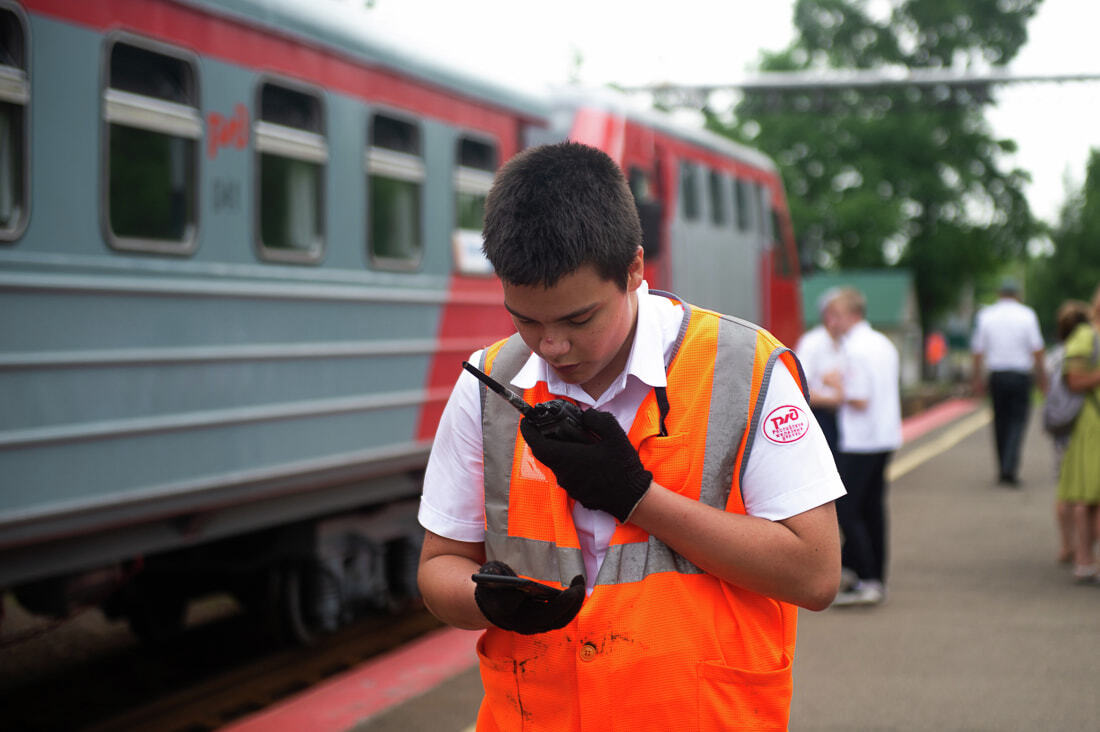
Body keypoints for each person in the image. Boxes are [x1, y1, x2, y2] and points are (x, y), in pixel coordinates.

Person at [416, 142, 845, 730]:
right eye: (525, 319)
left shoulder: (743, 368)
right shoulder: (488, 384)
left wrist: (635, 497)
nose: (551, 346)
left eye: (579, 318)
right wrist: (485, 601)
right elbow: (440, 565)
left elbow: (816, 575)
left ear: (635, 269)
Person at [826, 288, 902, 607]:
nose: (831, 322)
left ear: (852, 315)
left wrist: (834, 385)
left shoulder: (855, 349)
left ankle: (865, 576)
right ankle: (873, 576)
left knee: (847, 510)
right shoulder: (883, 343)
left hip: (860, 440)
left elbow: (858, 399)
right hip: (884, 436)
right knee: (873, 509)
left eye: (836, 315)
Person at [970, 277, 1048, 486]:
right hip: (1020, 376)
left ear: (999, 293)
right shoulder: (1027, 315)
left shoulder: (986, 315)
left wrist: (976, 378)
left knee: (1000, 421)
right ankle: (1009, 467)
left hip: (997, 375)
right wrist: (1042, 377)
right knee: (1017, 422)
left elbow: (977, 351)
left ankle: (1002, 465)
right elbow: (1037, 350)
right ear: (1017, 294)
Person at [1057, 286, 1100, 583]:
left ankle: (1086, 560)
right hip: (1092, 423)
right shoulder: (1086, 336)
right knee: (1087, 496)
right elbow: (1073, 380)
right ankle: (1084, 560)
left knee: (1090, 497)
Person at [1044, 300, 1090, 564]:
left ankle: (1066, 544)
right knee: (1084, 491)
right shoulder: (1085, 353)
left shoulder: (1055, 355)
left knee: (1063, 487)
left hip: (1060, 425)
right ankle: (1085, 548)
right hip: (1082, 425)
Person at [795, 288, 846, 457]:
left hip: (843, 417)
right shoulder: (811, 343)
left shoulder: (846, 342)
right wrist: (836, 398)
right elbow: (800, 387)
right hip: (821, 416)